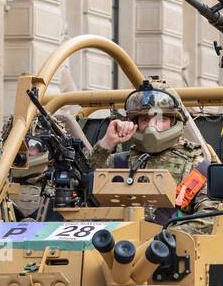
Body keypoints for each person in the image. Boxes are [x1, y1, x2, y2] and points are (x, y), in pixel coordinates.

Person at [88, 78, 213, 231]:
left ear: (174, 121)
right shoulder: (119, 162)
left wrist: (162, 239)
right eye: (144, 119)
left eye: (161, 118)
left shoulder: (198, 169)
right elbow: (85, 178)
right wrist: (107, 142)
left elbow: (208, 220)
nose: (151, 126)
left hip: (170, 250)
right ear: (136, 122)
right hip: (116, 245)